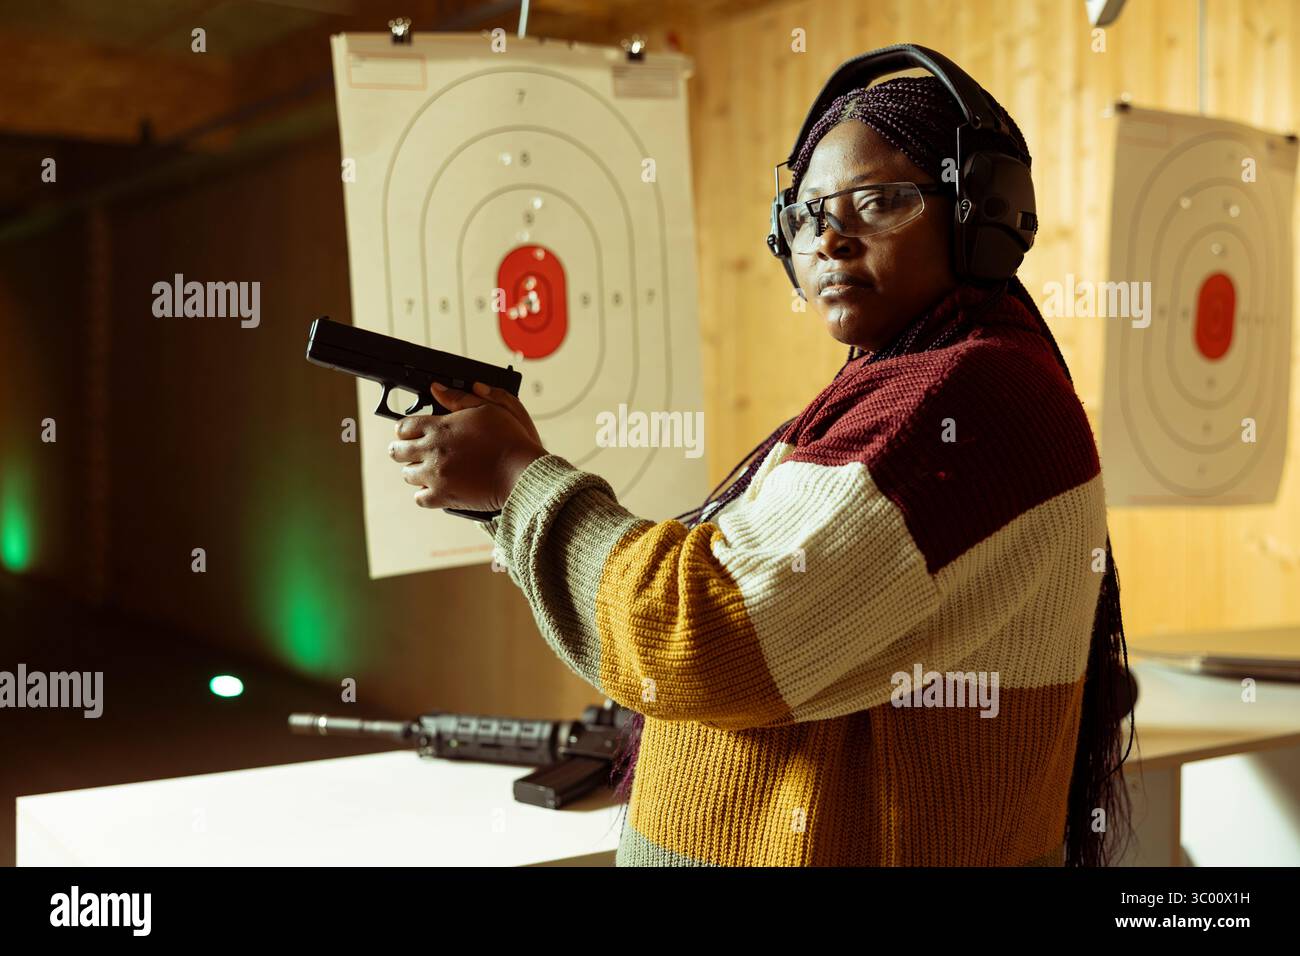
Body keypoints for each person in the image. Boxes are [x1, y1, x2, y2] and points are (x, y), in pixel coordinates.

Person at [387, 72, 1136, 867]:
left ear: (981, 213)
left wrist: (515, 476)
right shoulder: (927, 375)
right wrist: (510, 491)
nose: (830, 240)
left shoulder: (957, 396)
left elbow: (705, 635)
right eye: (809, 215)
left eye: (878, 202)